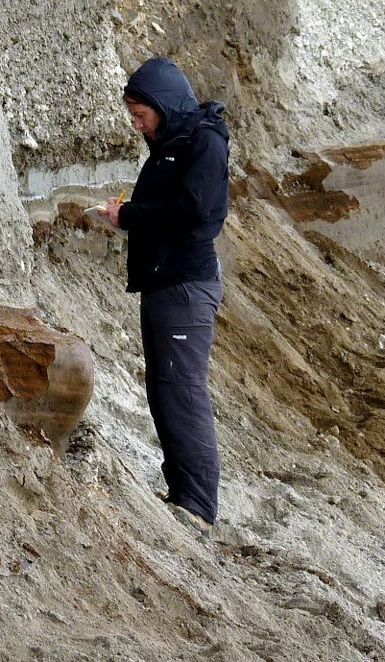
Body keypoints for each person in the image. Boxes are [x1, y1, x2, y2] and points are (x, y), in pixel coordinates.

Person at [101, 57, 229, 532]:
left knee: (183, 392)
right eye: (133, 115)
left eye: (141, 114)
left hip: (185, 286)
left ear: (164, 104)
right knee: (163, 388)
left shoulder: (203, 140)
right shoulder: (171, 140)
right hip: (163, 283)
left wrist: (130, 216)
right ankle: (182, 494)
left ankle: (197, 507)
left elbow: (197, 209)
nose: (137, 124)